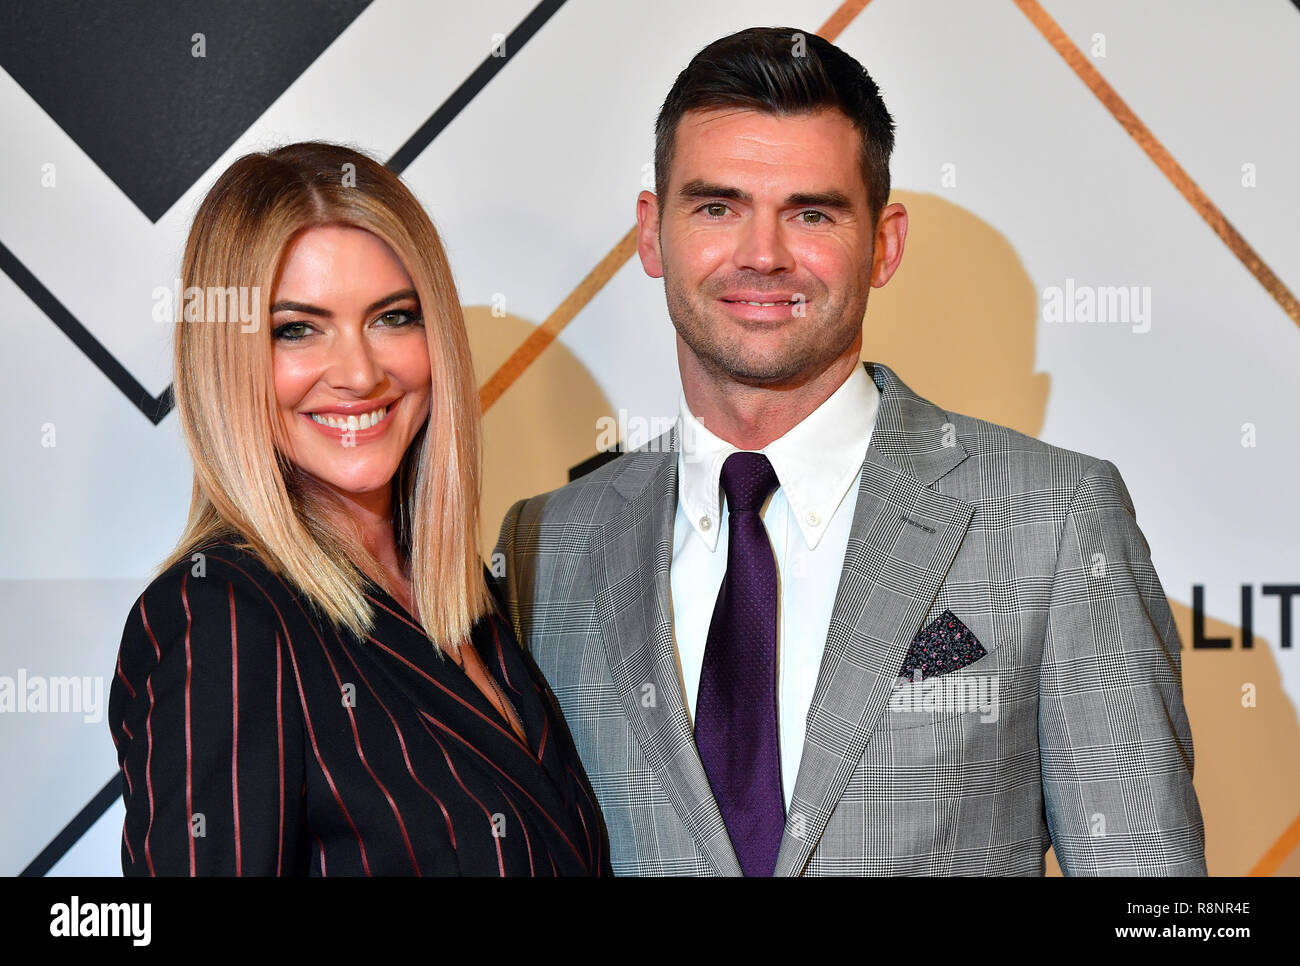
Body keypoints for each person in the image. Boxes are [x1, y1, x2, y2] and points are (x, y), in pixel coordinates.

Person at [493, 27, 1206, 876]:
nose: (762, 255)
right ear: (652, 233)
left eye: (812, 212)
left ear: (885, 243)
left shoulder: (1053, 519)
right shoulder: (546, 547)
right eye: (716, 206)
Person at [109, 142, 609, 876]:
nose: (359, 373)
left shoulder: (464, 598)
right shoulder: (220, 617)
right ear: (227, 357)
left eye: (392, 318)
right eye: (296, 329)